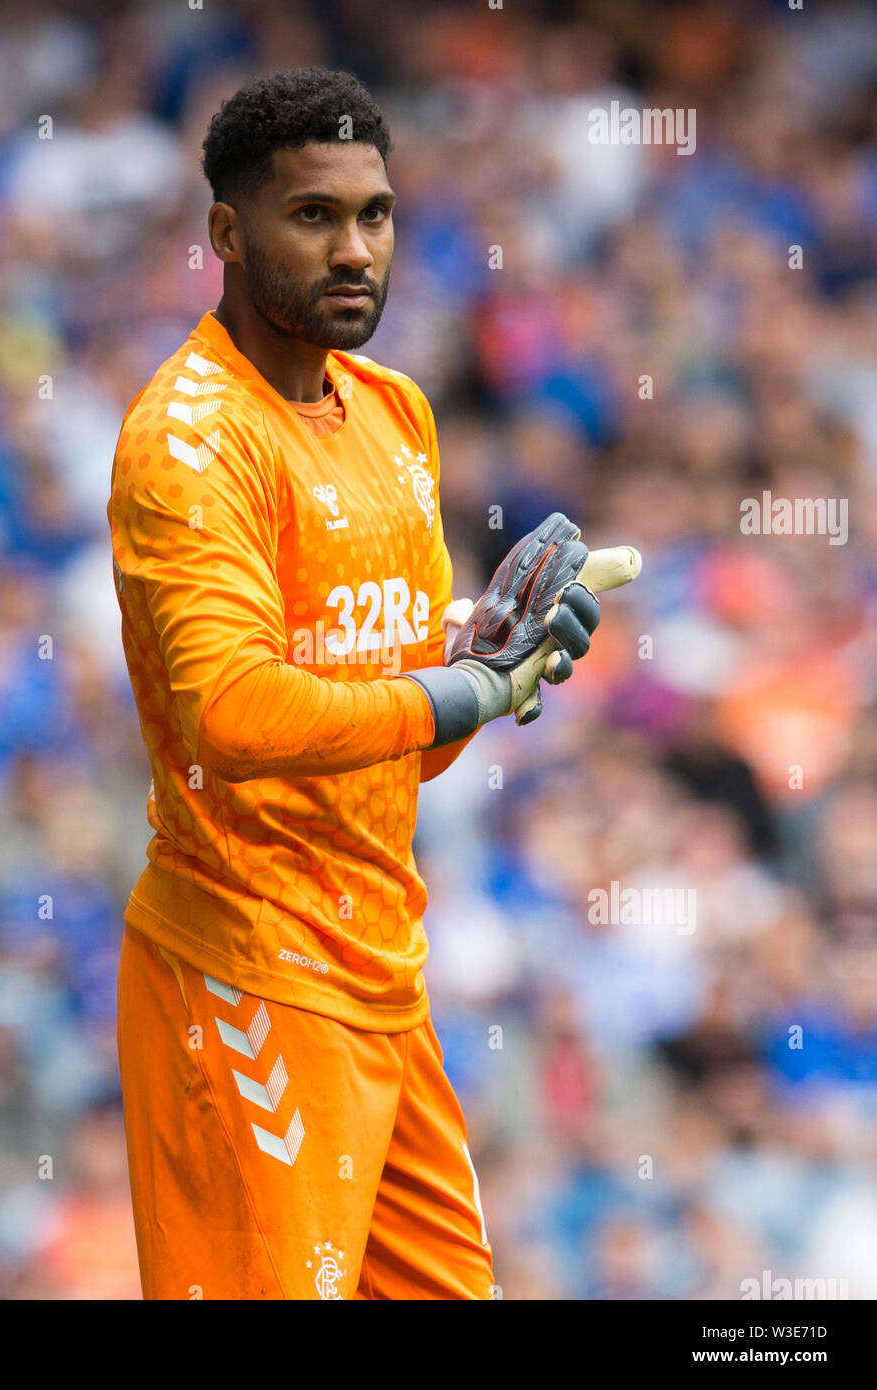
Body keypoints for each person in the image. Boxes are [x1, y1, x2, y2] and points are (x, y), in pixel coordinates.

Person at [109, 66, 599, 1300]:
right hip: (246, 977)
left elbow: (399, 736)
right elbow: (237, 713)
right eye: (313, 215)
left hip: (384, 969)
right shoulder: (187, 442)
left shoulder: (396, 413)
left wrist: (495, 653)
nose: (354, 248)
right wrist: (462, 693)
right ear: (227, 233)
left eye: (375, 215)